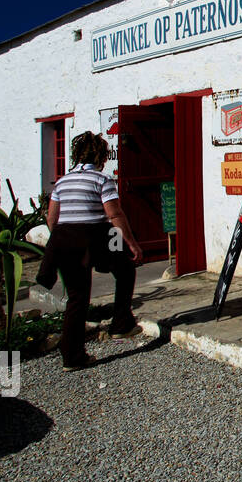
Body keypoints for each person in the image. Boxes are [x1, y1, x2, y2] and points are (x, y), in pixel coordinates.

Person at [36, 131, 143, 370]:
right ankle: (121, 324)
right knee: (126, 268)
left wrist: (65, 240)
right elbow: (114, 214)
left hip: (64, 240)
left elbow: (52, 219)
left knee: (77, 297)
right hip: (96, 236)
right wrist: (131, 243)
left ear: (76, 155)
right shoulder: (102, 180)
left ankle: (72, 357)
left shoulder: (62, 182)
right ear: (101, 156)